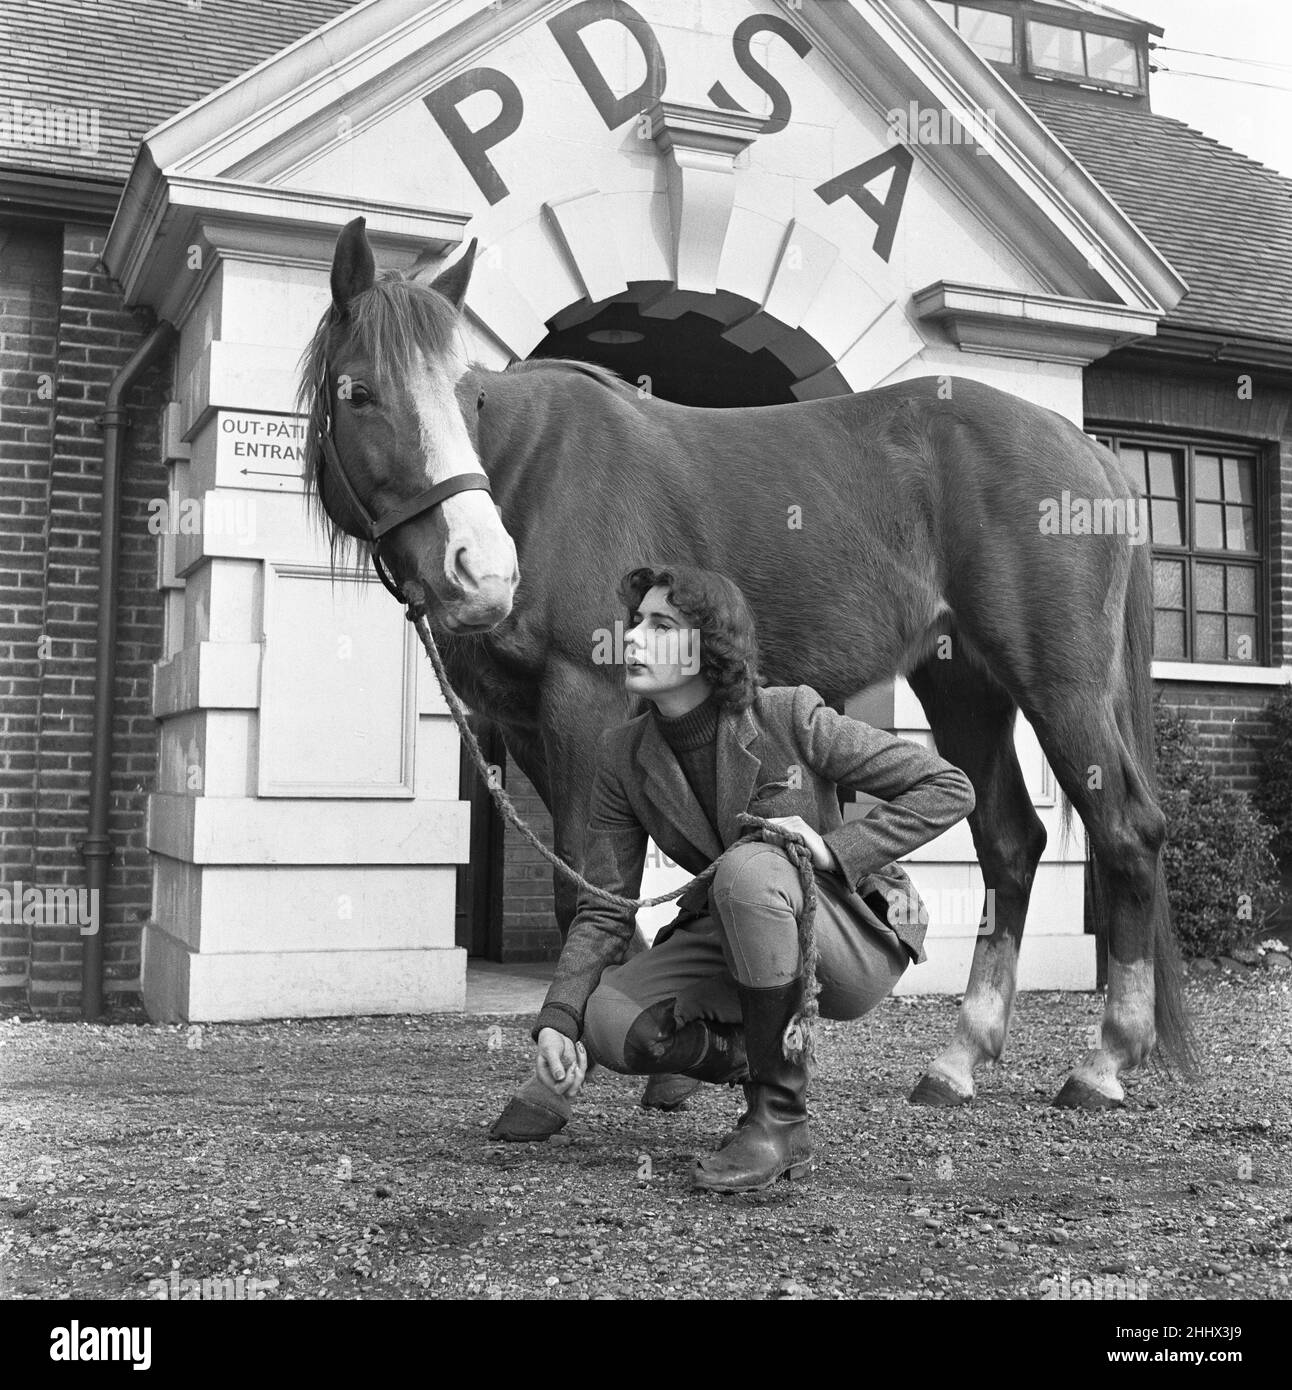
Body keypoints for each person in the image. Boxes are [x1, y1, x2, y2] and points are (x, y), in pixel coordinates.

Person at [515, 564, 976, 1192]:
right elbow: (604, 906)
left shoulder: (792, 715)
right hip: (733, 929)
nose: (633, 639)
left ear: (710, 647)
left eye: (662, 626)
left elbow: (948, 786)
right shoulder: (622, 756)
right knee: (612, 1023)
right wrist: (558, 1018)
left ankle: (779, 1120)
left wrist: (837, 847)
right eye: (636, 623)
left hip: (847, 935)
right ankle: (755, 1051)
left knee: (748, 865)